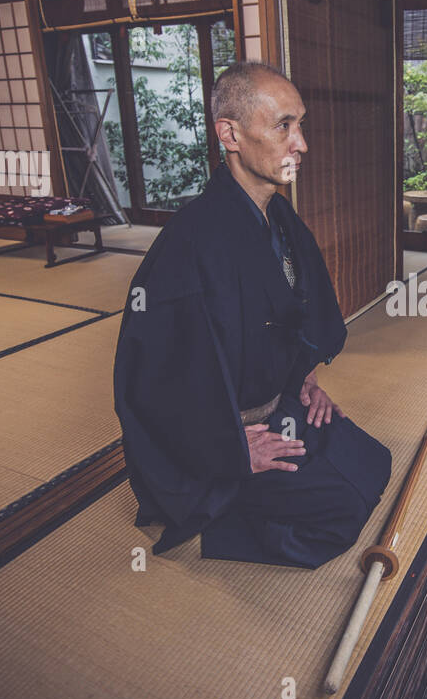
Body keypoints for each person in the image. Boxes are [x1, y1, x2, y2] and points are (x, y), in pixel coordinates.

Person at [112, 61, 392, 568]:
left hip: (275, 405)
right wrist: (230, 450)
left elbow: (290, 320)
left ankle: (268, 465)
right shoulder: (188, 244)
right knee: (341, 509)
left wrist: (301, 379)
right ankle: (220, 506)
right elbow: (155, 377)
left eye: (300, 124)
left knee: (374, 461)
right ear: (230, 135)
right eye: (283, 126)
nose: (300, 143)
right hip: (214, 439)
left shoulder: (278, 217)